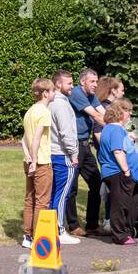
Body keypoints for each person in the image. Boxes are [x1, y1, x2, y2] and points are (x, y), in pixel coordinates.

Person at [66, 69, 105, 236]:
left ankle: (92, 225)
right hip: (73, 147)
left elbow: (104, 112)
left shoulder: (92, 95)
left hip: (85, 146)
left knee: (96, 183)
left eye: (96, 82)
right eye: (92, 82)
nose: (95, 85)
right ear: (83, 82)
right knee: (71, 188)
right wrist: (118, 130)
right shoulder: (76, 93)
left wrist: (121, 124)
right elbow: (96, 115)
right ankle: (73, 226)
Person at [98, 100, 138, 244]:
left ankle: (127, 231)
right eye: (128, 111)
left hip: (125, 173)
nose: (129, 115)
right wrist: (126, 170)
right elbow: (117, 151)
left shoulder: (114, 129)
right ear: (120, 113)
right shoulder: (115, 130)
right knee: (120, 204)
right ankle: (120, 235)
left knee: (135, 200)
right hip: (118, 172)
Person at [48, 70, 81, 246]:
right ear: (58, 84)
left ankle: (53, 229)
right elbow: (66, 132)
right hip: (63, 155)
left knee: (54, 194)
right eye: (69, 83)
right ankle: (58, 230)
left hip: (54, 153)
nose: (72, 86)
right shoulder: (60, 104)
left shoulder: (51, 102)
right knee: (61, 195)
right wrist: (74, 154)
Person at [21, 77, 55, 249]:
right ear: (45, 93)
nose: (54, 93)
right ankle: (36, 237)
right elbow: (35, 139)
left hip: (29, 161)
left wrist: (27, 157)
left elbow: (23, 140)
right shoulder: (44, 112)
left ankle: (27, 236)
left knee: (30, 199)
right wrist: (34, 160)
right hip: (41, 162)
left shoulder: (29, 112)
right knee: (42, 201)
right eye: (53, 90)